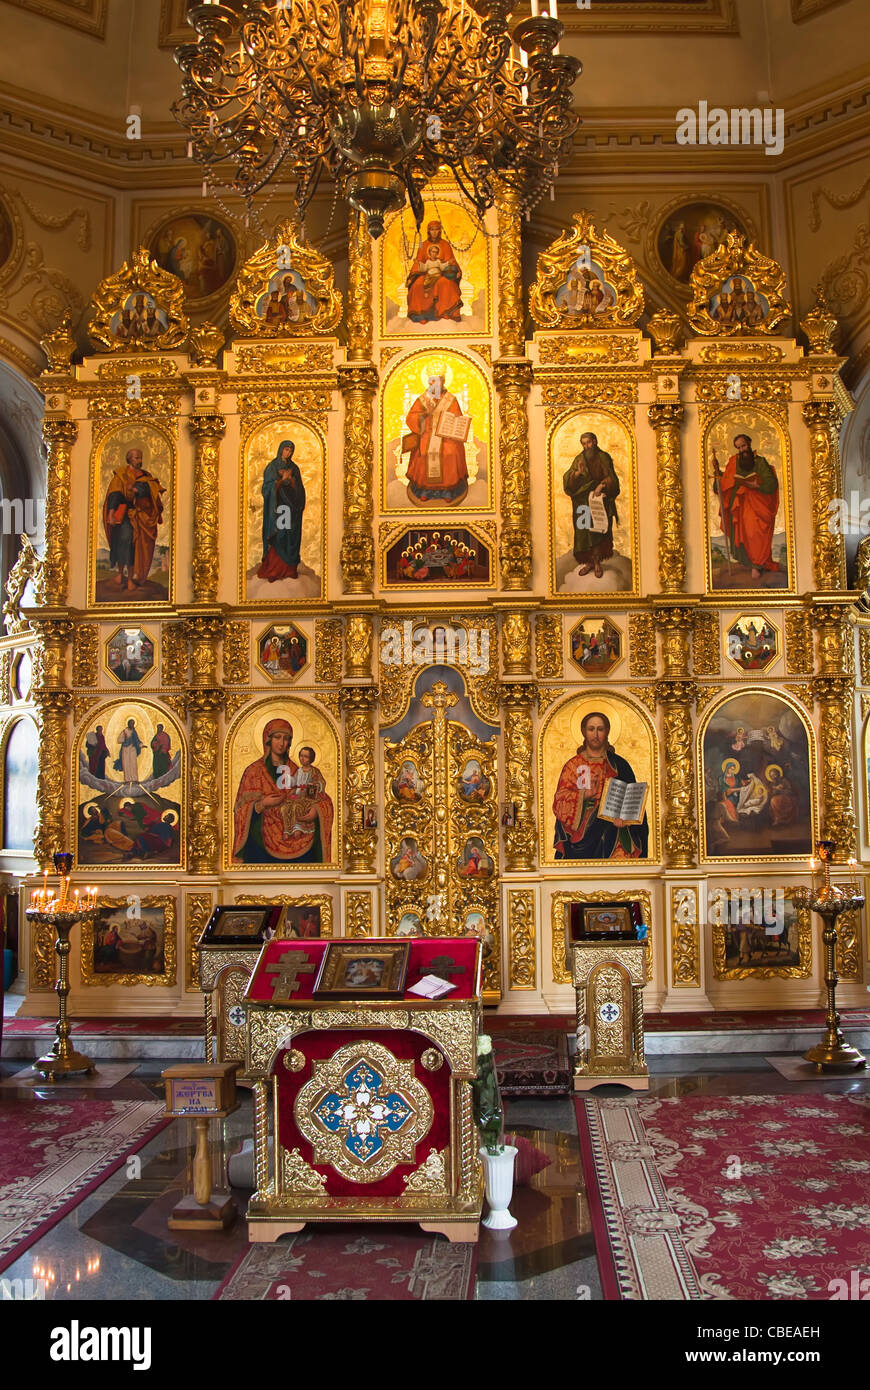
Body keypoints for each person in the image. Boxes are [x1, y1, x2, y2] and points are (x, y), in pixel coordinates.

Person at [233, 717, 333, 863]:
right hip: (261, 847)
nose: (282, 743)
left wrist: (316, 811)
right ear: (268, 739)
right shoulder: (253, 771)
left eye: (286, 739)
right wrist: (261, 805)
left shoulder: (298, 770)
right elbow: (240, 809)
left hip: (300, 845)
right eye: (277, 737)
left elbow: (322, 797)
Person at [553, 710, 648, 859]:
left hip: (616, 832)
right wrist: (584, 795)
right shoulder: (573, 765)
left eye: (600, 729)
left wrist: (626, 820)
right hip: (582, 833)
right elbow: (559, 801)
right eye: (591, 729)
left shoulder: (619, 765)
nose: (595, 735)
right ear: (584, 732)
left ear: (607, 732)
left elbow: (632, 799)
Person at [713, 432, 780, 581]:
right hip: (740, 504)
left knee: (754, 532)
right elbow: (727, 481)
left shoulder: (760, 462)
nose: (742, 450)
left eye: (743, 446)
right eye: (738, 447)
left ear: (749, 444)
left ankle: (757, 564)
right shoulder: (734, 462)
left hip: (758, 503)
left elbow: (772, 483)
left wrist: (758, 485)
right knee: (743, 533)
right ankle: (751, 563)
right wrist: (718, 474)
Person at [103, 446, 166, 593]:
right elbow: (114, 494)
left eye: (140, 457)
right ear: (129, 459)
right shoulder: (121, 475)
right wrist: (111, 514)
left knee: (135, 547)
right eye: (136, 457)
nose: (139, 460)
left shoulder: (146, 476)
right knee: (123, 542)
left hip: (141, 516)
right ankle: (120, 575)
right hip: (125, 514)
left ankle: (131, 578)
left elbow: (151, 489)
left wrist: (138, 490)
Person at [402, 372, 468, 506]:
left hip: (446, 435)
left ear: (443, 383)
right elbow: (411, 417)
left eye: (438, 382)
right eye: (432, 382)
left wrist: (450, 422)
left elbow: (457, 417)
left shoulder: (450, 399)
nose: (435, 385)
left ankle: (448, 492)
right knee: (424, 453)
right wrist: (423, 415)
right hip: (426, 433)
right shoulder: (423, 399)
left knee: (450, 453)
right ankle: (424, 492)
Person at [563, 431, 620, 579]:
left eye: (588, 442)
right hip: (582, 503)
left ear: (594, 442)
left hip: (599, 501)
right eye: (583, 444)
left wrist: (602, 485)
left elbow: (612, 478)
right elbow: (569, 479)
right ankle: (588, 562)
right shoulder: (579, 459)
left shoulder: (603, 457)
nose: (586, 446)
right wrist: (577, 474)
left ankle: (597, 563)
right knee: (584, 533)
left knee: (598, 532)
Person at [257, 439, 306, 581]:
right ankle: (273, 570)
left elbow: (300, 490)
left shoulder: (294, 468)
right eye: (286, 449)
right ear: (280, 450)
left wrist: (291, 481)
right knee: (279, 536)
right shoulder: (272, 467)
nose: (288, 452)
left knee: (290, 537)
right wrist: (279, 482)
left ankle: (289, 570)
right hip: (277, 509)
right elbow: (266, 489)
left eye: (290, 450)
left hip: (291, 509)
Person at [406, 219, 463, 323]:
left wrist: (457, 271)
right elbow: (419, 263)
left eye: (437, 229)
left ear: (440, 231)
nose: (434, 232)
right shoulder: (423, 245)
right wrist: (411, 277)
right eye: (432, 230)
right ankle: (420, 315)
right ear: (428, 231)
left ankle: (445, 312)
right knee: (417, 285)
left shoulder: (445, 245)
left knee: (446, 283)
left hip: (441, 274)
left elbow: (450, 262)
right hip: (426, 275)